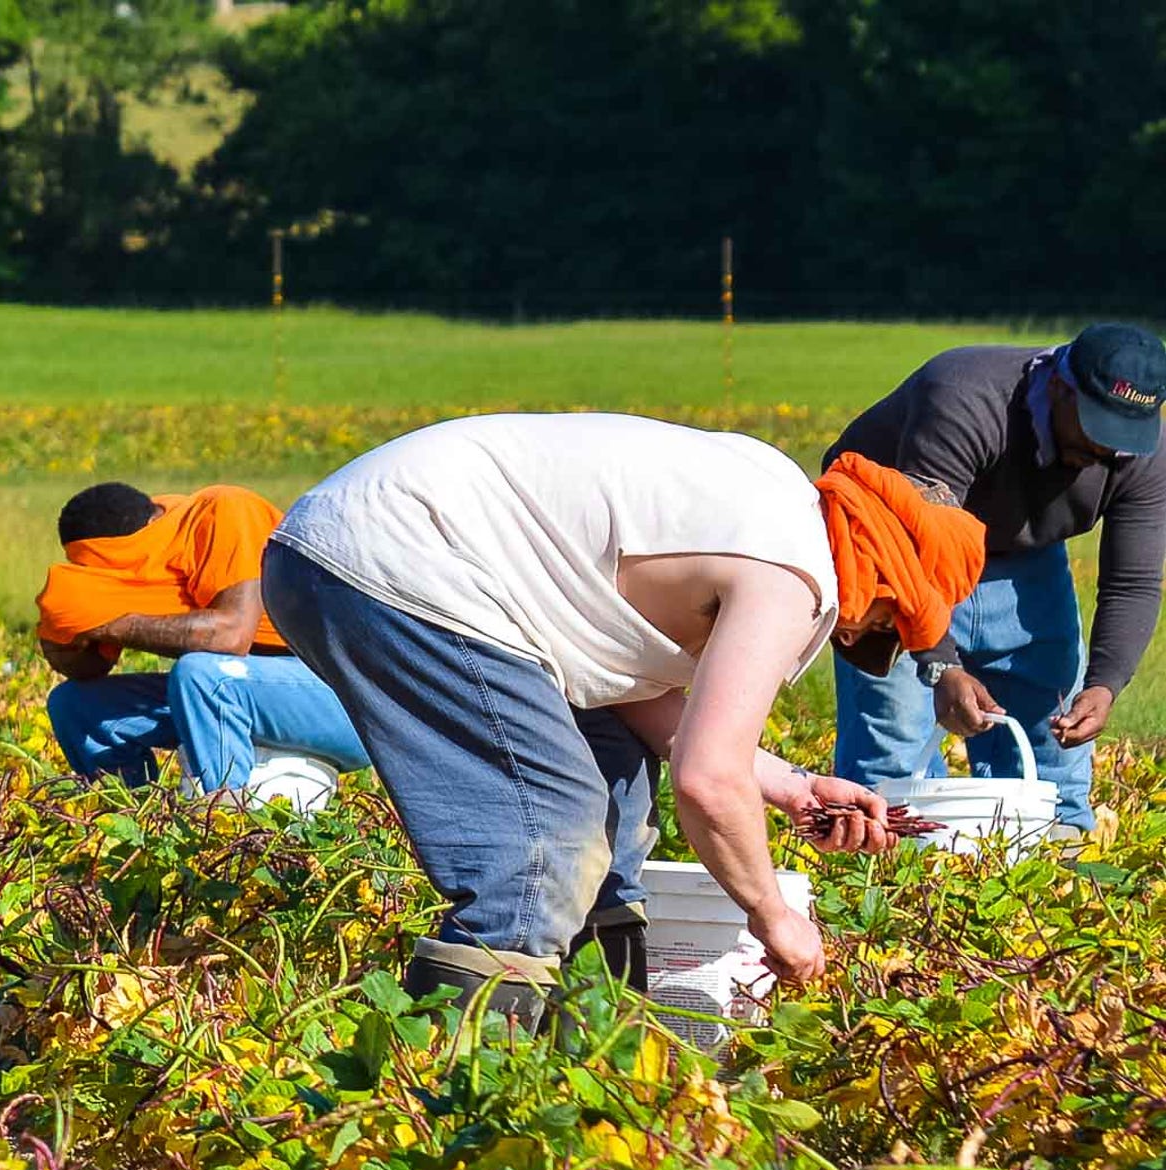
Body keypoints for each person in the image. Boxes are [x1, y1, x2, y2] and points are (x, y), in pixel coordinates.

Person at [263, 413, 986, 1022]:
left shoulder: (779, 508)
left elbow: (627, 689)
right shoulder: (793, 573)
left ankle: (589, 1061)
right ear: (889, 579)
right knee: (546, 835)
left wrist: (793, 786)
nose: (862, 636)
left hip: (349, 540)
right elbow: (707, 781)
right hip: (399, 557)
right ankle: (461, 1108)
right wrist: (774, 917)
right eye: (891, 618)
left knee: (615, 785)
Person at [829, 324, 1166, 831]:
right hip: (889, 547)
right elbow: (919, 549)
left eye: (1125, 436)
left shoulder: (1142, 453)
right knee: (892, 751)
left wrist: (1105, 684)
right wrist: (942, 667)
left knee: (1053, 757)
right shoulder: (965, 398)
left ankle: (1046, 873)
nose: (1108, 452)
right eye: (1098, 427)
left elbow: (1132, 581)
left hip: (1024, 553)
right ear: (1059, 386)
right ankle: (893, 874)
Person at [34, 480, 368, 792]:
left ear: (151, 528)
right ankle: (133, 829)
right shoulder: (128, 568)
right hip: (246, 691)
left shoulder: (222, 512)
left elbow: (232, 635)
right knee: (74, 705)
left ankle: (221, 824)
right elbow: (89, 669)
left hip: (347, 702)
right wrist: (66, 641)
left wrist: (110, 626)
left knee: (202, 674)